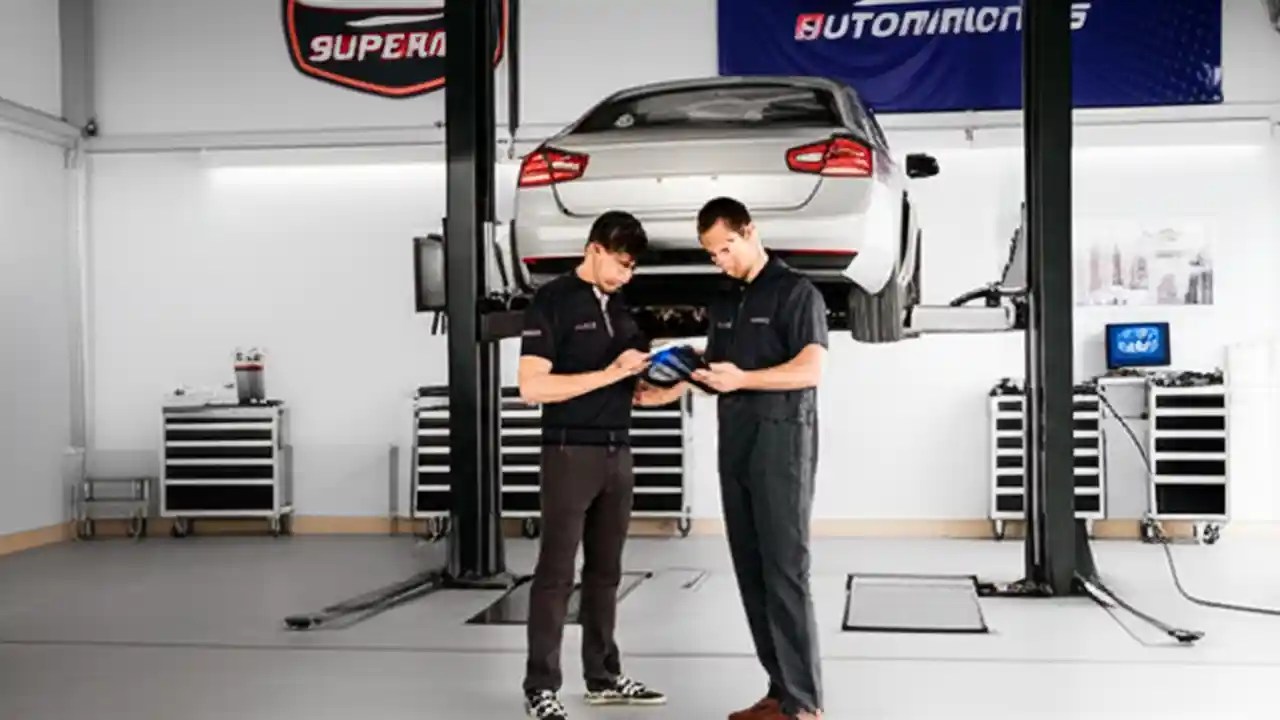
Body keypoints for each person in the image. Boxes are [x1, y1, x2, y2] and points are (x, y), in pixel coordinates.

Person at [516, 210, 676, 720]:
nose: (626, 275)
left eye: (633, 269)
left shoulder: (623, 307)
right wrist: (610, 373)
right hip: (568, 452)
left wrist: (680, 380)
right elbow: (532, 387)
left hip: (618, 451)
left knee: (606, 572)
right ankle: (541, 687)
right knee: (556, 573)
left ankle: (603, 676)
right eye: (622, 265)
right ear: (595, 250)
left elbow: (636, 393)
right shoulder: (553, 301)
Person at [691, 196, 828, 720]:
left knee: (785, 571)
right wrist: (674, 377)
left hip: (782, 444)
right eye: (711, 254)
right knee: (750, 570)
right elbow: (718, 368)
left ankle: (806, 705)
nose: (719, 260)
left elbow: (811, 369)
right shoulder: (726, 300)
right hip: (736, 441)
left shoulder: (797, 293)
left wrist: (744, 379)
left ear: (750, 231)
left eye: (724, 248)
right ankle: (779, 691)